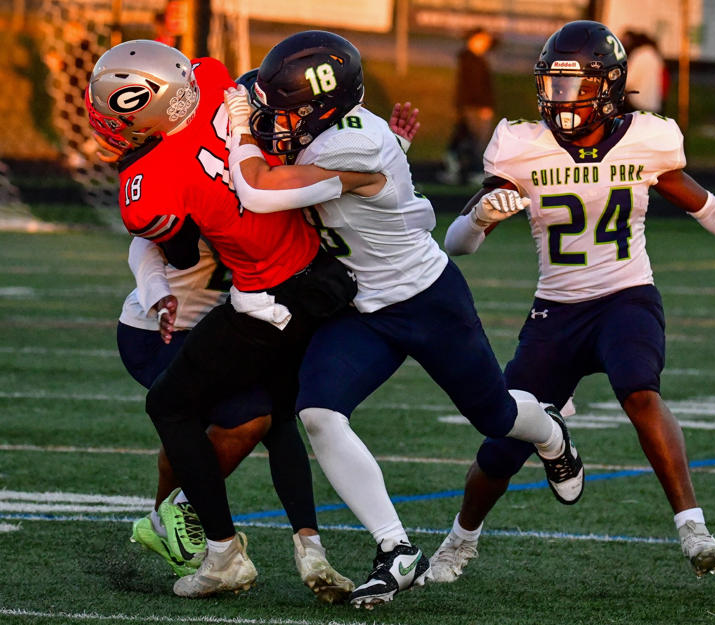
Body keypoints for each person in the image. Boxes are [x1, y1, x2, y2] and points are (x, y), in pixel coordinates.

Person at [224, 29, 584, 608]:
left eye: (284, 113)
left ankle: (548, 430)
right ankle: (396, 549)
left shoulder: (351, 144)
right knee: (318, 412)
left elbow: (261, 191)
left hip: (424, 298)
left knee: (493, 414)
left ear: (322, 111)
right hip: (360, 307)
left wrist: (241, 126)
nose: (273, 123)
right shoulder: (346, 135)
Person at [432, 19, 715, 583]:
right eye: (553, 83)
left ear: (609, 86)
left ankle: (693, 526)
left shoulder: (646, 138)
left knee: (639, 388)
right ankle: (458, 542)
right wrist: (479, 216)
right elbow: (456, 244)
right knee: (503, 441)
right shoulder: (521, 146)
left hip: (625, 297)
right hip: (555, 311)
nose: (560, 98)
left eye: (575, 84)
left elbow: (708, 207)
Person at [87, 39, 421, 600]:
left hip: (266, 300)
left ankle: (214, 541)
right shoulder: (218, 82)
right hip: (288, 292)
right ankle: (249, 539)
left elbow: (182, 247)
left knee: (239, 414)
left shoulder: (149, 183)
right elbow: (163, 245)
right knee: (258, 414)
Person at [115, 234, 352, 603]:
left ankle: (312, 551)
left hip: (241, 325)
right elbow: (145, 240)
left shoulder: (280, 189)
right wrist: (157, 294)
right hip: (165, 332)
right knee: (251, 416)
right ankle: (173, 517)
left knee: (277, 413)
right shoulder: (222, 183)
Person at [439, 27, 497, 185]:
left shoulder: (475, 59)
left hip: (472, 106)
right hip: (475, 107)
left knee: (466, 140)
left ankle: (456, 170)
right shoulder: (470, 60)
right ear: (475, 39)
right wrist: (483, 107)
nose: (486, 44)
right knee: (478, 142)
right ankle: (474, 172)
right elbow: (474, 87)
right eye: (483, 40)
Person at [622, 29, 667, 114]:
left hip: (638, 104)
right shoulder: (655, 55)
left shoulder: (638, 54)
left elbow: (629, 81)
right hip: (654, 104)